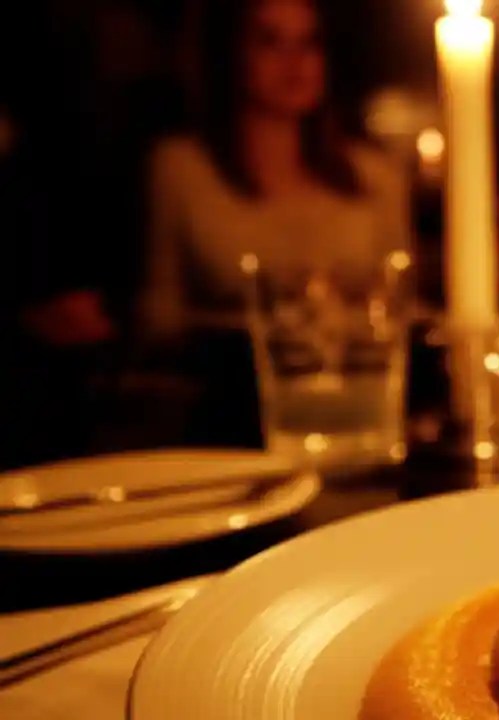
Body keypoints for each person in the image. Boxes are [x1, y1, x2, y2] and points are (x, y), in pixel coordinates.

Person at [139, 0, 409, 445]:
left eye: (309, 43)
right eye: (270, 41)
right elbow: (158, 318)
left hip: (357, 416)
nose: (295, 62)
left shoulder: (374, 176)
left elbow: (397, 308)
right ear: (231, 54)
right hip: (231, 417)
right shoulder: (181, 168)